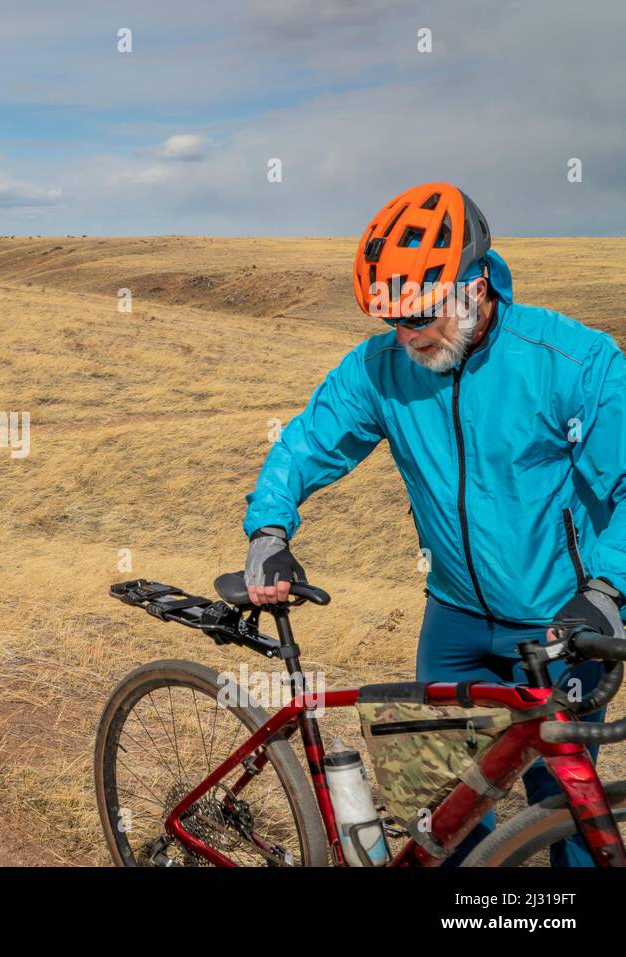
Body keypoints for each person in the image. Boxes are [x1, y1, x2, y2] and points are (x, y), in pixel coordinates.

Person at [241, 182, 625, 866]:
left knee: (562, 812)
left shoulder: (573, 361)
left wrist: (608, 590)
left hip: (560, 624)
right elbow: (307, 442)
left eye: (422, 315)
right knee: (442, 814)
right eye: (394, 319)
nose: (409, 335)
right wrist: (269, 529)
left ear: (476, 286)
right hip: (451, 622)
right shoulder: (383, 367)